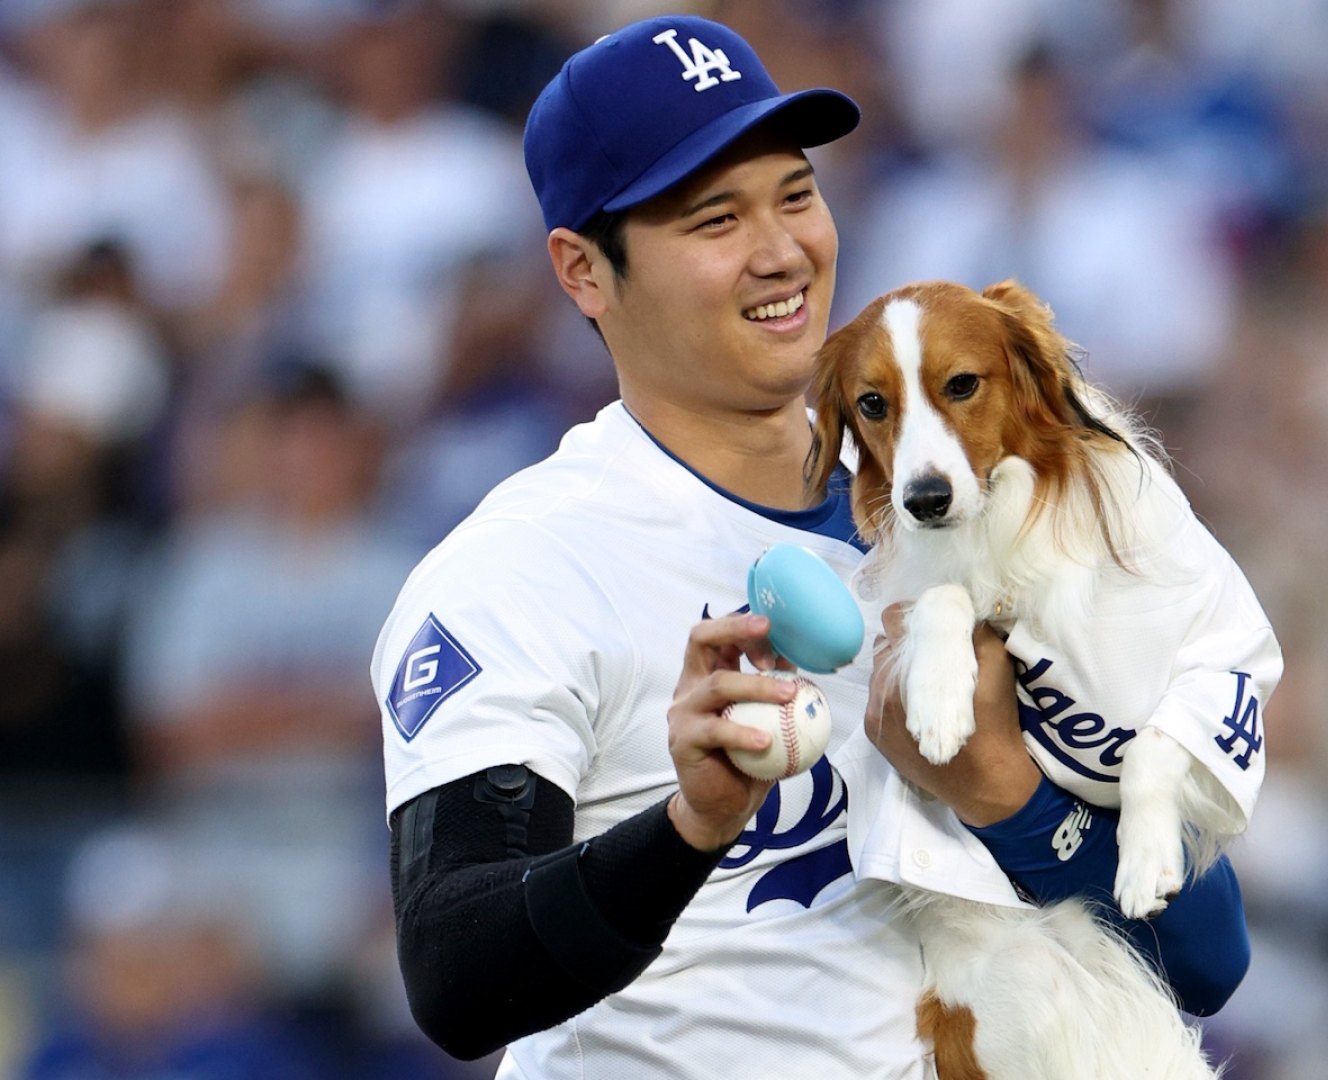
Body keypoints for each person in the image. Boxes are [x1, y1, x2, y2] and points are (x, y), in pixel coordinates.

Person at [371, 15, 1250, 1077]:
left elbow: (1206, 955)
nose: (782, 249)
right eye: (714, 219)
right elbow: (458, 975)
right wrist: (691, 823)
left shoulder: (995, 523)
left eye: (796, 193)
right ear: (583, 271)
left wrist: (1005, 791)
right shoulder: (525, 565)